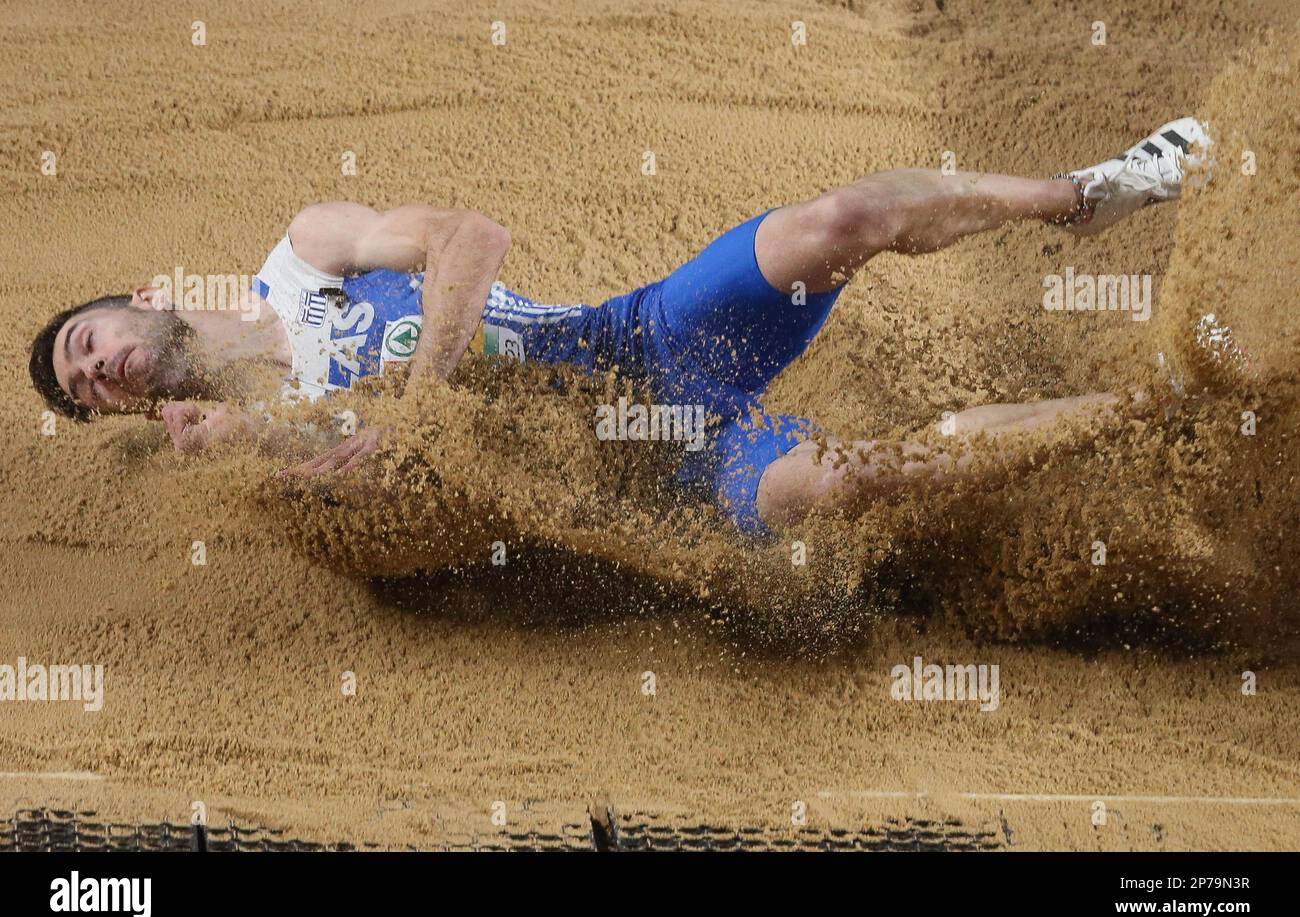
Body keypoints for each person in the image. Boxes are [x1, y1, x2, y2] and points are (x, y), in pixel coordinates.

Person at [28, 119, 1210, 537]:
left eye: (87, 345)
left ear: (142, 296)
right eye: (90, 394)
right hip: (655, 476)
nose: (100, 372)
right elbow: (408, 528)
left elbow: (472, 237)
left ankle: (1087, 196)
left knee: (839, 220)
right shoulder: (242, 452)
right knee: (840, 484)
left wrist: (420, 403)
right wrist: (281, 460)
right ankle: (1155, 409)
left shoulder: (306, 250)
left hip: (641, 343)